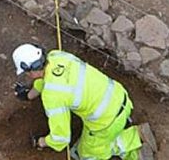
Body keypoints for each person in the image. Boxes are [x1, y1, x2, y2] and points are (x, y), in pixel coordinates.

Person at [12, 44, 158, 160]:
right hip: (119, 97)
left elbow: (61, 138)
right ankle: (135, 154)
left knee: (87, 156)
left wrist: (41, 142)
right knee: (94, 144)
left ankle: (134, 137)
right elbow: (45, 80)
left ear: (30, 70)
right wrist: (29, 95)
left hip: (106, 122)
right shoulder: (57, 56)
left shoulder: (52, 96)